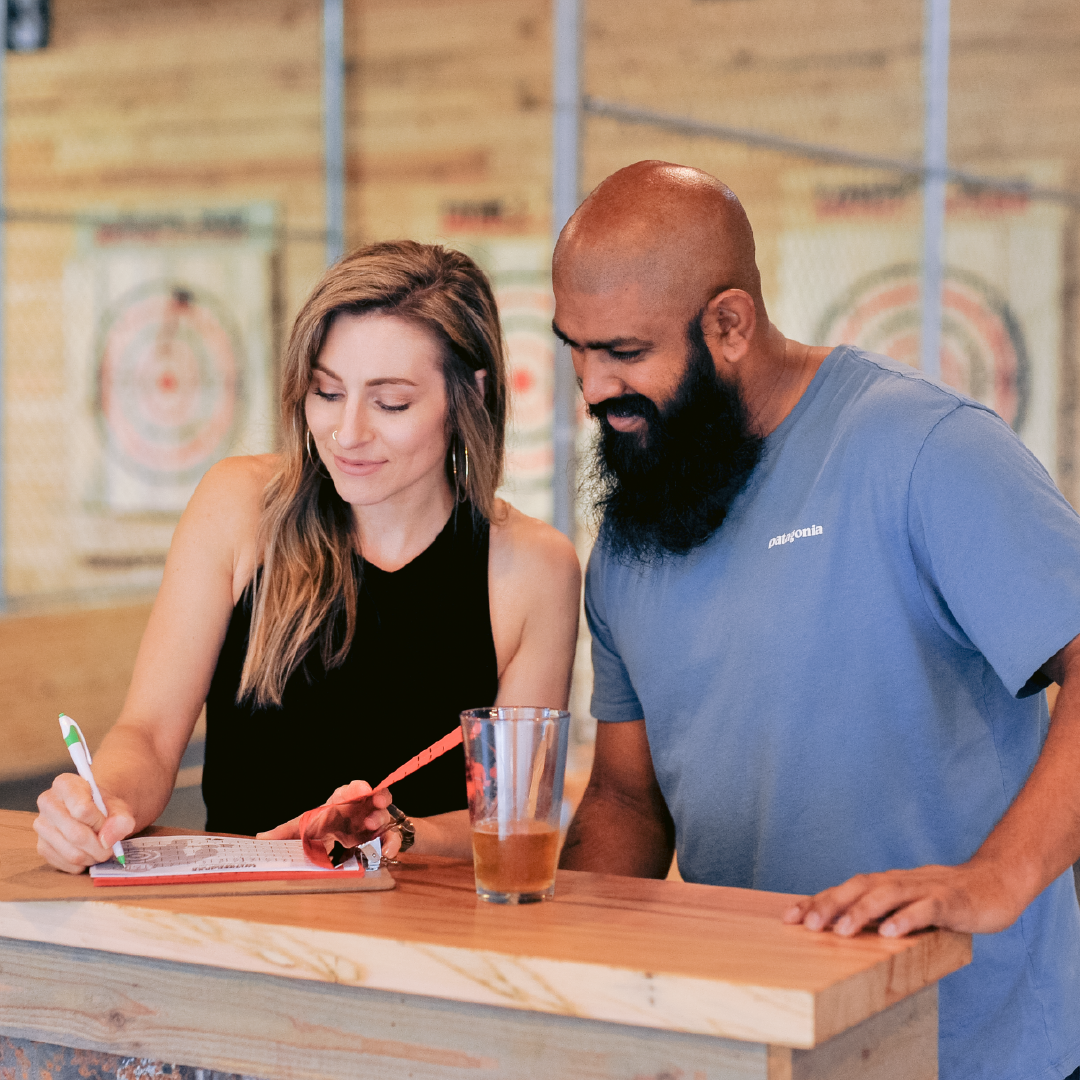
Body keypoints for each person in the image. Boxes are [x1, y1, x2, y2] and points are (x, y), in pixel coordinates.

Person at [555, 161, 1080, 1080]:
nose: (592, 389)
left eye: (625, 353)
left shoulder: (924, 449)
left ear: (728, 323)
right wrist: (549, 954)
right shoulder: (634, 532)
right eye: (574, 348)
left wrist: (996, 878)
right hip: (763, 1042)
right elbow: (629, 800)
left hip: (974, 1047)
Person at [35, 239, 580, 870]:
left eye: (391, 402)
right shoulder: (238, 506)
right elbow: (150, 736)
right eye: (326, 392)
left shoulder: (534, 567)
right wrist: (101, 808)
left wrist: (397, 832)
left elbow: (515, 820)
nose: (348, 433)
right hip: (244, 922)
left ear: (470, 396)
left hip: (433, 935)